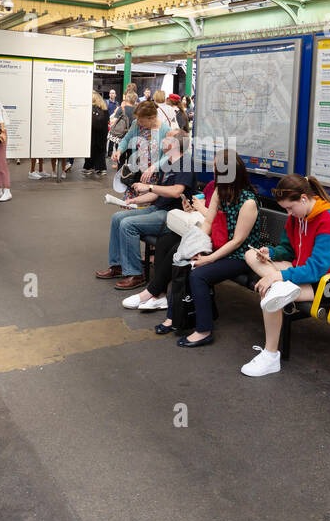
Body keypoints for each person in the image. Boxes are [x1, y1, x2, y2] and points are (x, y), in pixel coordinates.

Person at [241, 174, 330, 378]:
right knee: (250, 254)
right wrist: (270, 254)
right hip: (302, 272)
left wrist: (278, 276)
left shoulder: (329, 219)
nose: (288, 213)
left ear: (303, 198)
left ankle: (271, 356)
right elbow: (287, 248)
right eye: (285, 209)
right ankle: (283, 287)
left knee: (271, 292)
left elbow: (317, 269)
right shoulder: (296, 217)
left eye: (290, 208)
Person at [172, 151, 264, 347]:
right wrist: (199, 249)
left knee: (199, 275)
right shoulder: (219, 192)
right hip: (220, 247)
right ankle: (175, 316)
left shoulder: (248, 202)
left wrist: (209, 258)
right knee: (184, 260)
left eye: (217, 169)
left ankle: (204, 330)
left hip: (241, 256)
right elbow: (208, 223)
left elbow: (238, 241)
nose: (213, 171)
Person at [97, 129, 196, 291]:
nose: (163, 140)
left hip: (172, 215)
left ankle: (136, 274)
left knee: (128, 224)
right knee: (117, 217)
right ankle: (118, 265)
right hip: (158, 208)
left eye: (167, 138)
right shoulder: (167, 163)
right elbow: (156, 193)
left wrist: (149, 186)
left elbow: (176, 191)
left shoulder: (185, 163)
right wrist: (134, 201)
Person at [111, 99, 164, 176]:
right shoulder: (136, 124)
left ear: (153, 118)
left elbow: (167, 155)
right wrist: (119, 150)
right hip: (139, 171)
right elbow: (127, 139)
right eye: (138, 119)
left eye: (142, 121)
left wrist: (154, 167)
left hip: (156, 174)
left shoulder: (165, 130)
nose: (139, 122)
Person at [85, 93, 109, 176]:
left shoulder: (90, 109)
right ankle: (101, 168)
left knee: (90, 151)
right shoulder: (105, 109)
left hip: (92, 134)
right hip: (102, 134)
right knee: (101, 152)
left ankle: (89, 167)